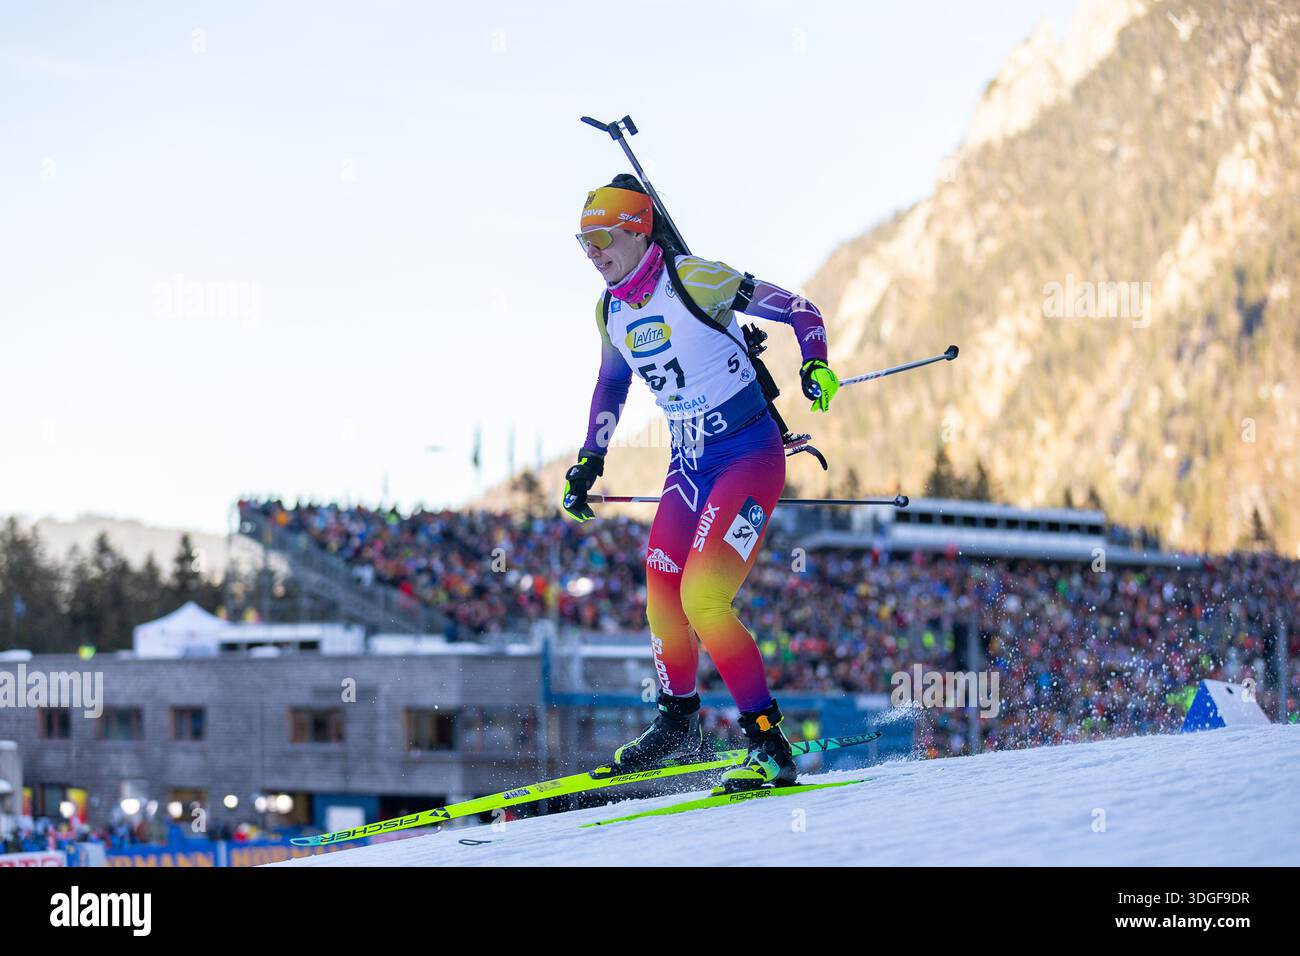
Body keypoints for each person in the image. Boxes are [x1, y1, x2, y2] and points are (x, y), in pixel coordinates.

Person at [562, 174, 840, 790]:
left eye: (603, 238)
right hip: (687, 463)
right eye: (584, 244)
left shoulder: (694, 279)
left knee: (703, 599)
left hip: (747, 454)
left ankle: (769, 744)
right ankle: (677, 721)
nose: (594, 253)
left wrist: (815, 360)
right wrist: (590, 458)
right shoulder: (610, 310)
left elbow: (800, 310)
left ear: (637, 229)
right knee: (661, 591)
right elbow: (612, 385)